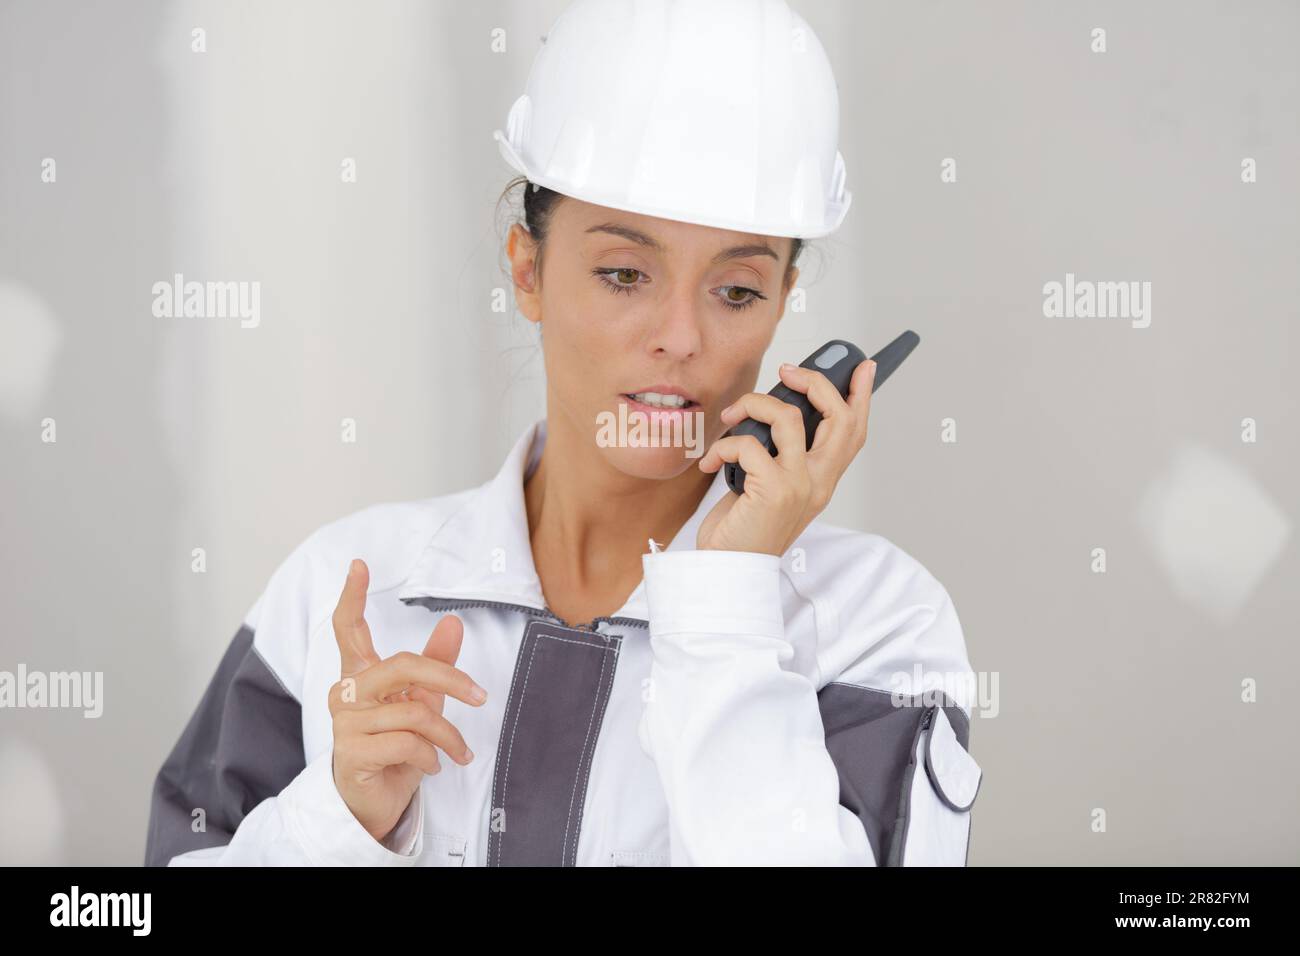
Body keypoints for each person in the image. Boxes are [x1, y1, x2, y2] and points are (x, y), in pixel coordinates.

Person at [145, 0, 981, 867]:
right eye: (624, 274)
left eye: (736, 290)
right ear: (527, 271)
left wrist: (730, 601)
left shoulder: (877, 624)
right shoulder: (347, 592)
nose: (682, 338)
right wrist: (341, 823)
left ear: (781, 303)